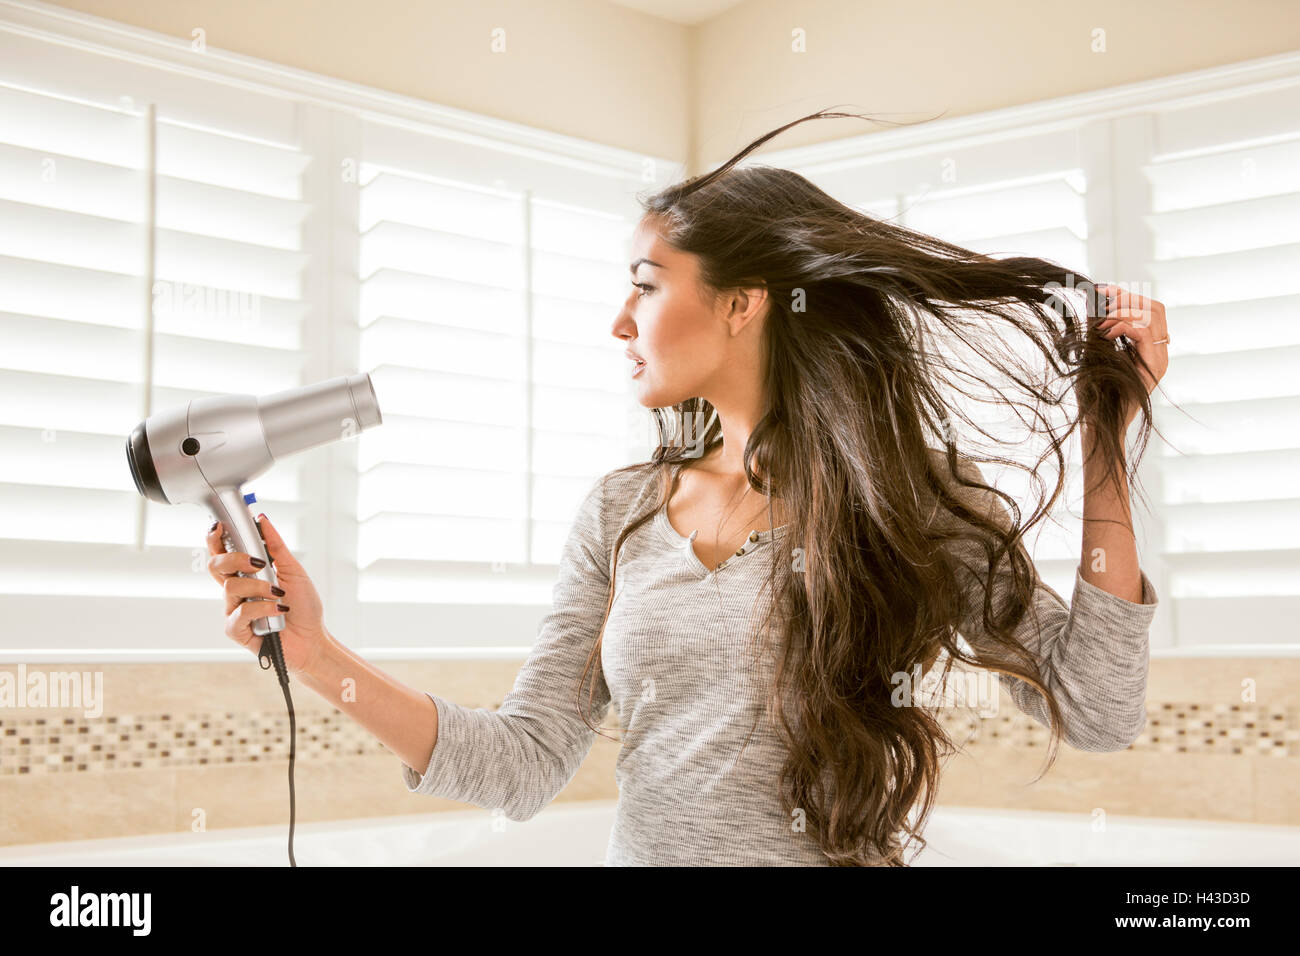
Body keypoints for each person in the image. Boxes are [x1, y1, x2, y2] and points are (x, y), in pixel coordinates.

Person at [205, 109, 1169, 866]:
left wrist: (1104, 440)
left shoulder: (908, 502)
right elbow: (522, 764)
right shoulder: (621, 514)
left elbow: (1096, 709)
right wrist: (316, 653)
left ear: (743, 303)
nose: (620, 322)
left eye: (647, 283)